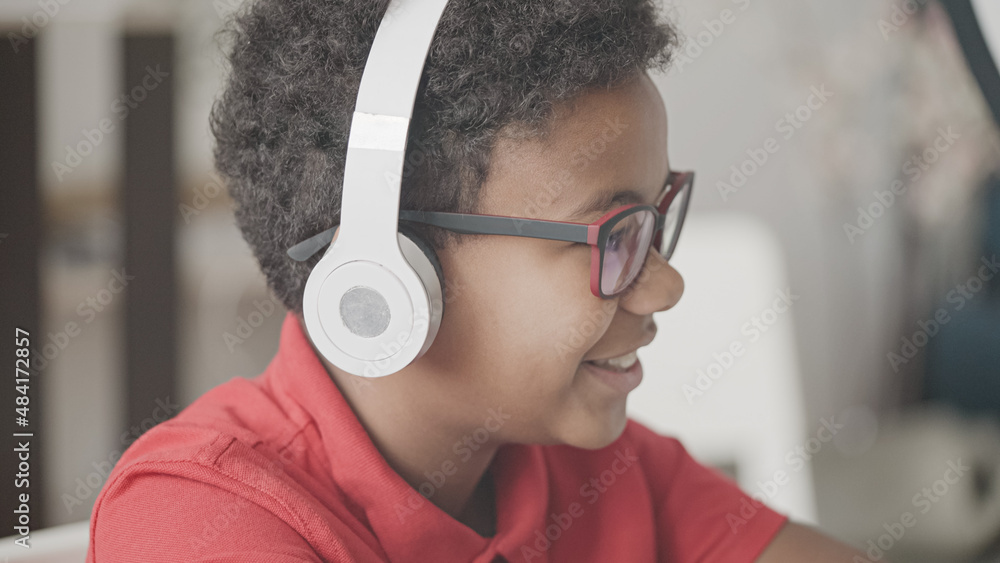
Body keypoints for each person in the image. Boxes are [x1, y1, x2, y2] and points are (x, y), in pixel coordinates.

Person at [87, 0, 866, 560]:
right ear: (389, 277)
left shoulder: (608, 473)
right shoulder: (197, 518)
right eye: (614, 234)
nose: (665, 287)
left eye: (658, 218)